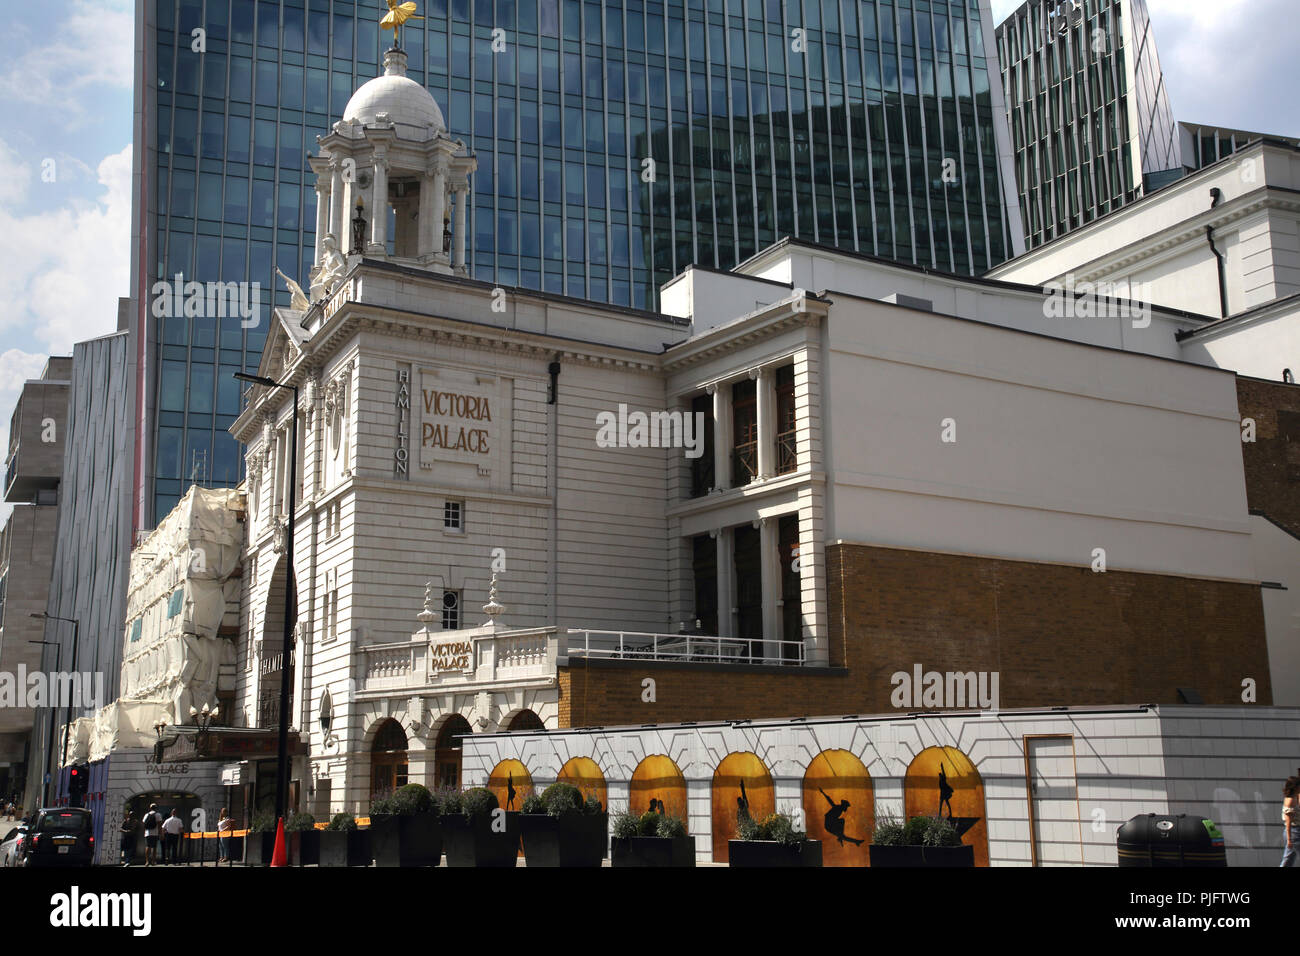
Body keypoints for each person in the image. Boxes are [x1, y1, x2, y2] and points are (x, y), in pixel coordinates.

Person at [1282, 769, 1300, 867]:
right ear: (1295, 787)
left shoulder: (1294, 798)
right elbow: (1288, 822)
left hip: (1295, 831)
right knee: (1288, 858)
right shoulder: (1290, 800)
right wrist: (1289, 839)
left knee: (1288, 859)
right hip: (1294, 832)